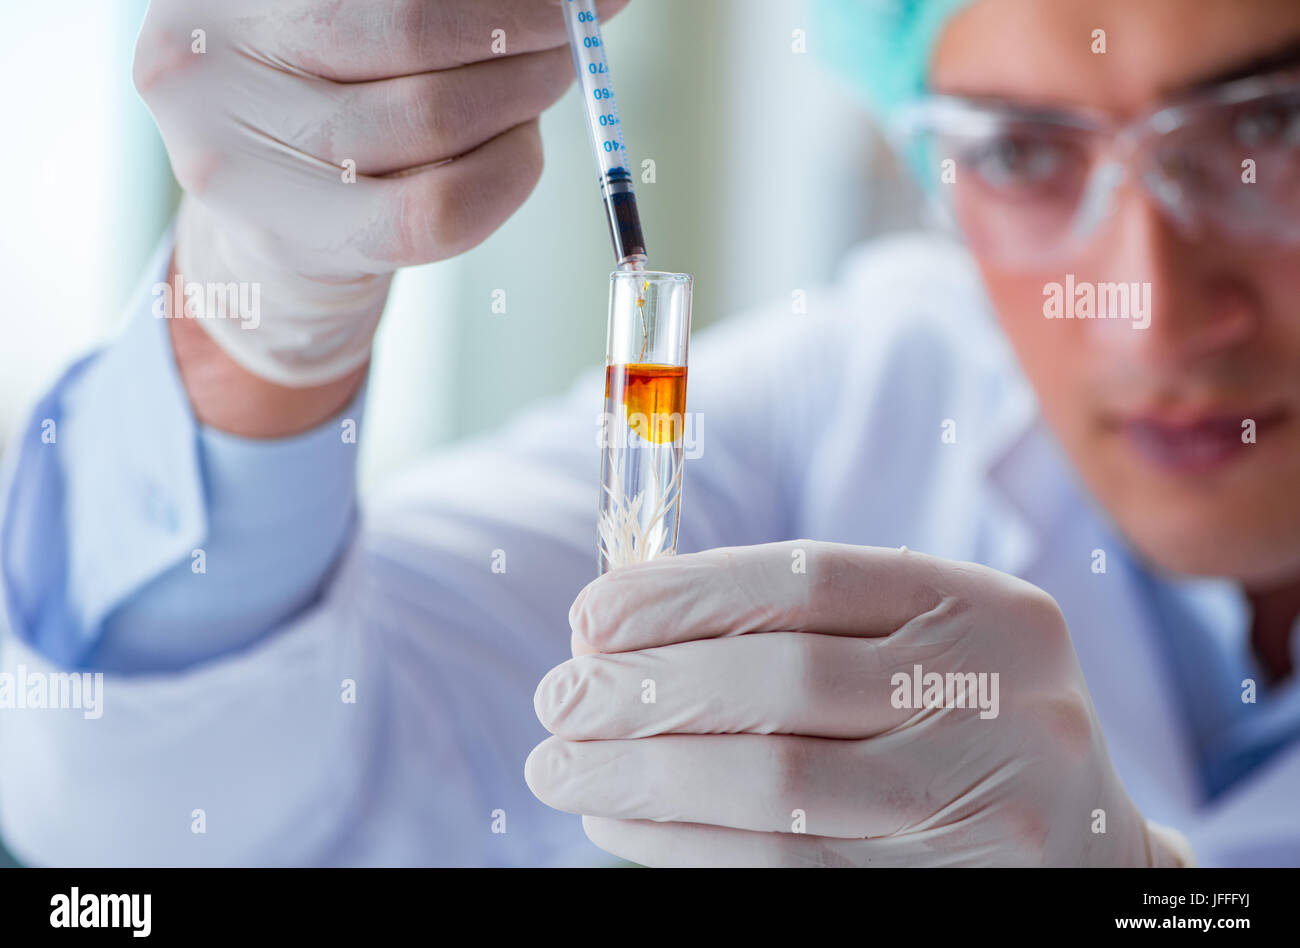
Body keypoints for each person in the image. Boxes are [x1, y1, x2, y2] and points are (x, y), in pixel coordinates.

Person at [2, 0, 1298, 866]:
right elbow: (153, 808)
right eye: (1019, 152)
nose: (1153, 315)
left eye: (1266, 131)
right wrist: (255, 316)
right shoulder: (853, 400)